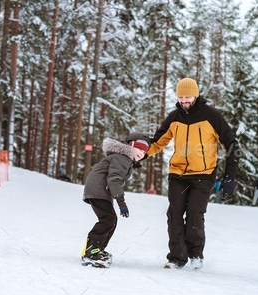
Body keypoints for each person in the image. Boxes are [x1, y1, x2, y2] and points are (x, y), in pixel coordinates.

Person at [146, 78, 240, 270]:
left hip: (203, 175)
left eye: (187, 96)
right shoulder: (174, 117)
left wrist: (229, 176)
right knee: (175, 213)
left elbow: (231, 145)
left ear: (196, 95)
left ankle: (196, 254)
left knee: (195, 214)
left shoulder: (211, 116)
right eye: (180, 97)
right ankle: (176, 258)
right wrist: (136, 155)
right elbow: (156, 143)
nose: (184, 100)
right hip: (177, 174)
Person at [81, 132, 151, 268]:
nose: (142, 153)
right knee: (108, 220)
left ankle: (96, 249)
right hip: (98, 190)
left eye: (144, 152)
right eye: (139, 148)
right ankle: (92, 251)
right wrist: (121, 202)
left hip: (99, 190)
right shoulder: (122, 158)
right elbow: (114, 179)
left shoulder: (125, 159)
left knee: (109, 220)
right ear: (130, 145)